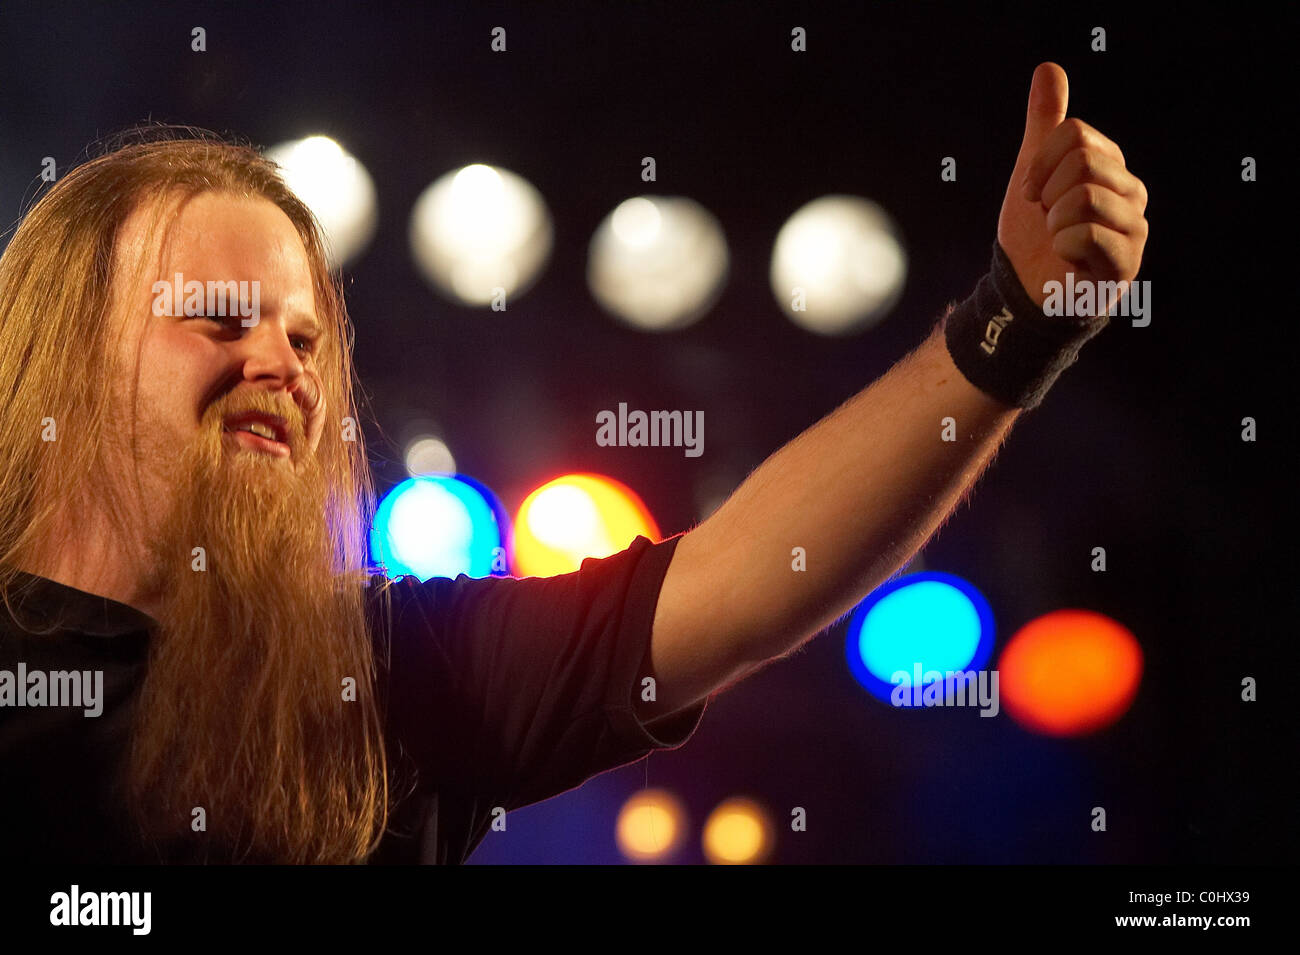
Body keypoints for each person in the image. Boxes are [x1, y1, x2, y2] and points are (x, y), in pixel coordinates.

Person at [0, 62, 1147, 863]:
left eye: (306, 338)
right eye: (223, 318)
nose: (285, 365)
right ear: (67, 344)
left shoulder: (398, 675)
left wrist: (1015, 323)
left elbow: (743, 581)